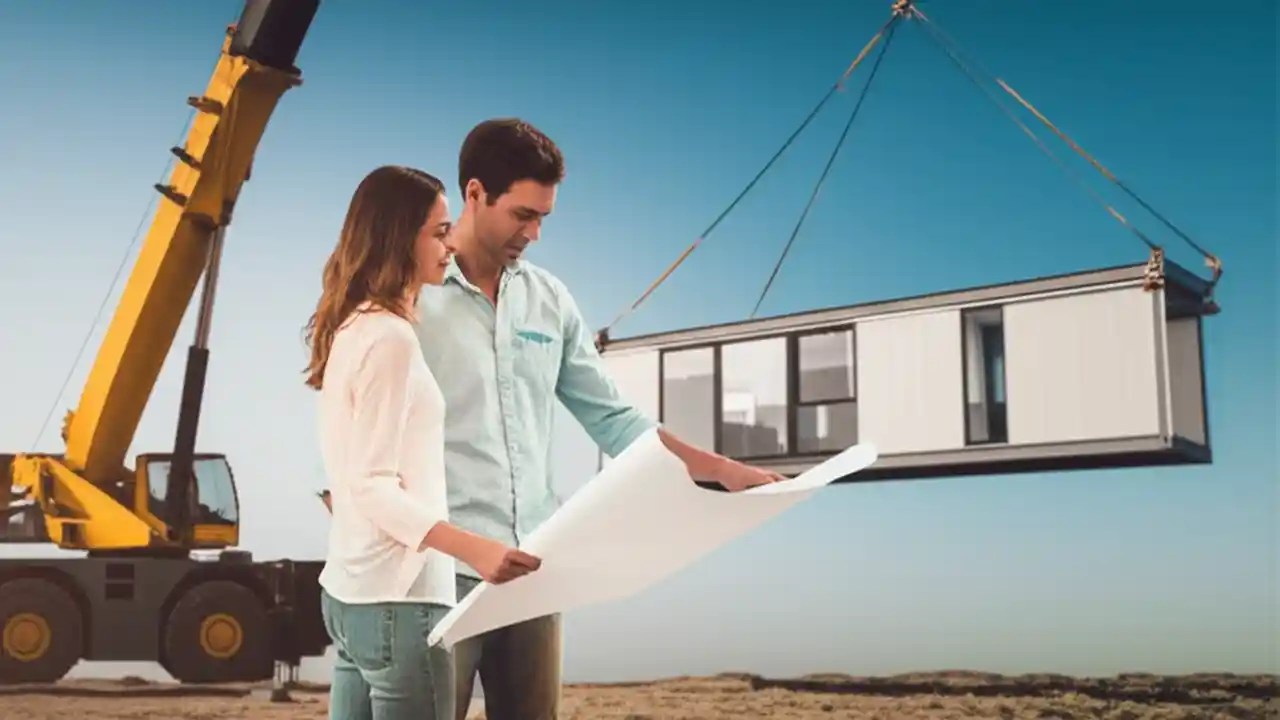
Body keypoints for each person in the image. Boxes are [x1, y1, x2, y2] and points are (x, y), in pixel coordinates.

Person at [413, 118, 786, 720]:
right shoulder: (411, 295)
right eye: (522, 215)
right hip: (436, 575)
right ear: (475, 193)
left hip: (534, 569)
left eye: (543, 219)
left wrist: (721, 470)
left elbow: (613, 418)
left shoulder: (550, 299)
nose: (534, 233)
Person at [303, 165, 543, 720]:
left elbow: (355, 475)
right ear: (397, 238)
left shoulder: (354, 327)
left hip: (349, 595)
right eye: (437, 232)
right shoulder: (390, 339)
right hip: (401, 601)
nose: (451, 243)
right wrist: (476, 548)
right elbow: (373, 486)